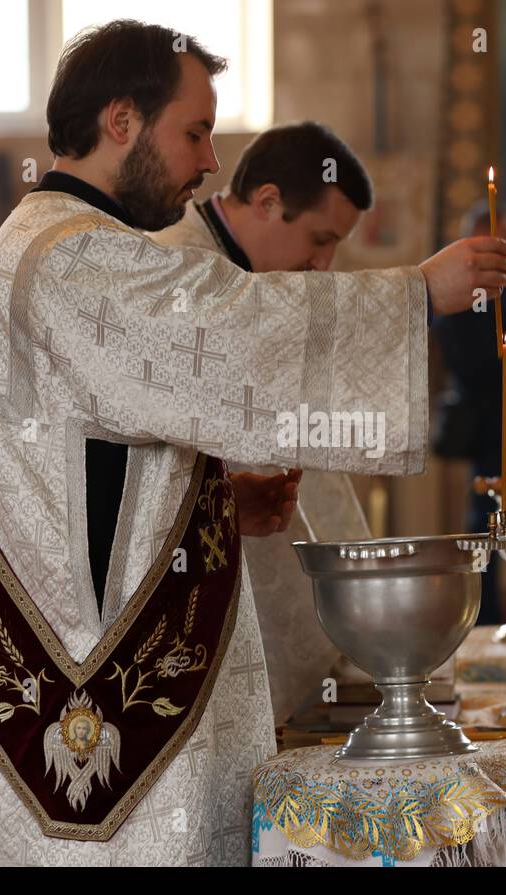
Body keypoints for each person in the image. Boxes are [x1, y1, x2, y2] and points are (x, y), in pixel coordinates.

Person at [0, 19, 506, 866]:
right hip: (82, 671)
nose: (211, 160)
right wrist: (416, 292)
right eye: (194, 131)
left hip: (79, 638)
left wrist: (218, 497)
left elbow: (98, 452)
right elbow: (231, 325)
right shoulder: (74, 256)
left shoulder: (59, 240)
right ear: (121, 121)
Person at [151, 120, 376, 725]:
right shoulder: (176, 266)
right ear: (269, 200)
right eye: (320, 239)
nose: (324, 264)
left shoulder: (264, 280)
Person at [432, 205, 506, 626]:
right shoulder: (466, 291)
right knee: (487, 517)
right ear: (482, 237)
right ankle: (480, 613)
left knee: (501, 516)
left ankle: (490, 608)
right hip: (491, 421)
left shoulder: (504, 284)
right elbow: (474, 355)